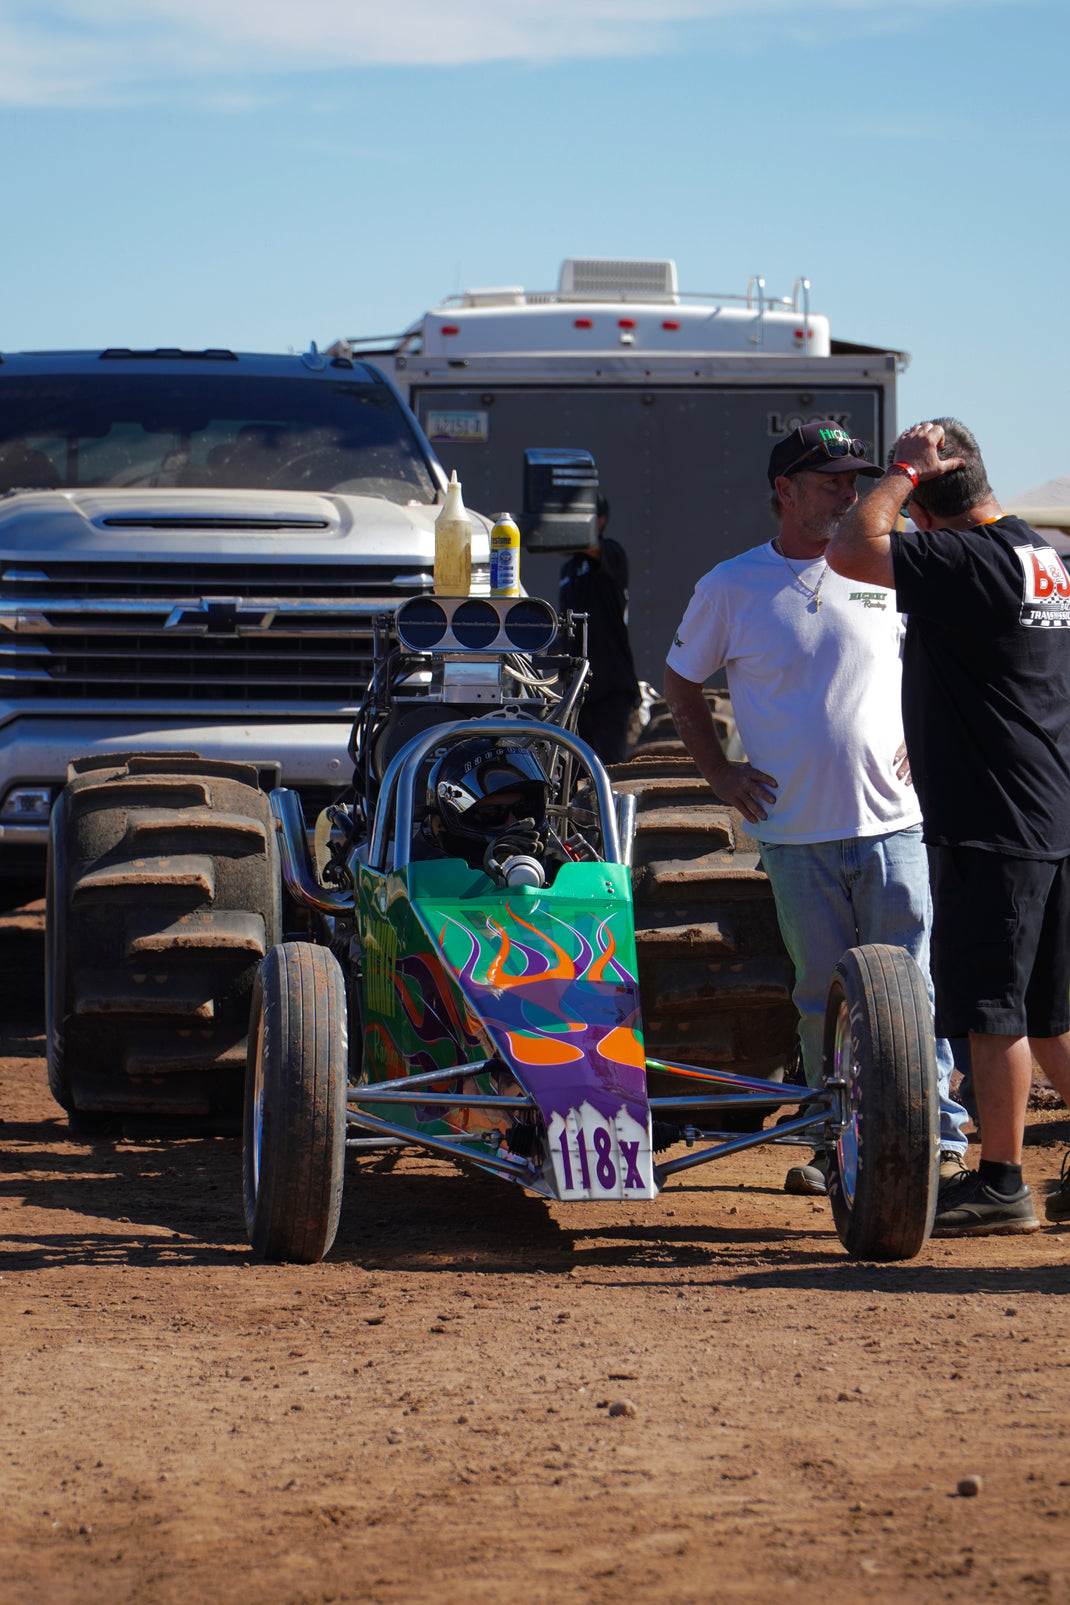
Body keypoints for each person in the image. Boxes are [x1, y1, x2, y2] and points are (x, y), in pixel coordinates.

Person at [664, 420, 968, 1195]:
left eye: (853, 479)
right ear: (785, 491)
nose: (848, 492)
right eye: (832, 479)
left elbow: (948, 649)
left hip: (894, 821)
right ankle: (837, 1136)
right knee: (820, 995)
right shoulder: (731, 585)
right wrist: (719, 773)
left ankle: (938, 1135)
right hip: (796, 834)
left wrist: (929, 736)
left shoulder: (879, 566)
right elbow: (681, 683)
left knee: (913, 986)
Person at [826, 418, 1070, 1236]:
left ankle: (1001, 1181)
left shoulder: (967, 558)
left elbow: (854, 549)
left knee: (991, 1010)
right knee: (1050, 1013)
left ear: (928, 503)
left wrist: (900, 473)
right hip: (1047, 810)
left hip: (991, 816)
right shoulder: (1042, 554)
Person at [559, 496, 641, 764]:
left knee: (609, 769)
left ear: (601, 520)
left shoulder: (610, 553)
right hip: (578, 689)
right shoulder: (568, 569)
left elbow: (592, 548)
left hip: (611, 687)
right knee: (577, 772)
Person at [413, 740, 549, 873]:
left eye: (524, 809)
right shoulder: (417, 876)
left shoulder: (558, 866)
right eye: (492, 813)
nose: (514, 822)